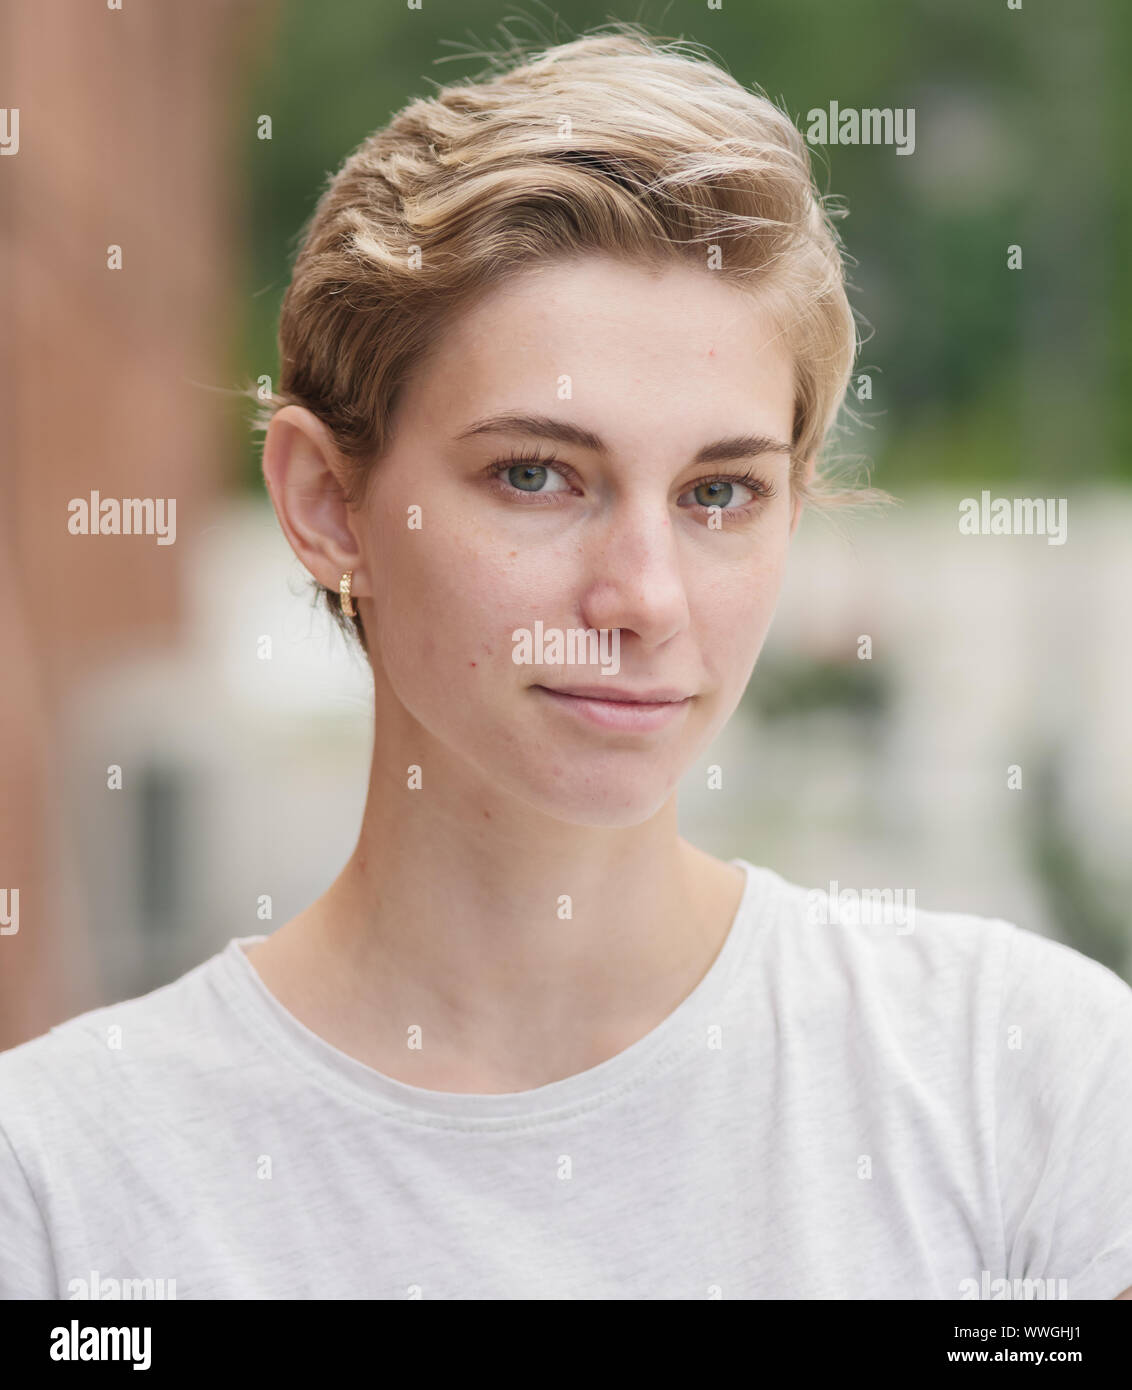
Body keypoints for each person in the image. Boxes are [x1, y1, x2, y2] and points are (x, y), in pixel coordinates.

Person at [2, 25, 1130, 1302]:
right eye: (535, 474)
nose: (643, 597)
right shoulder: (60, 1186)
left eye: (719, 491)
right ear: (326, 503)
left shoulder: (1028, 1086)